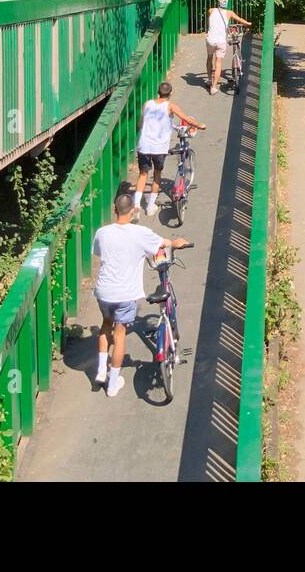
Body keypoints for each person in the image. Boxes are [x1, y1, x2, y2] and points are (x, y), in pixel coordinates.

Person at [94, 194, 189, 397]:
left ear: (115, 209)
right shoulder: (140, 233)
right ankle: (112, 386)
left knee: (105, 325)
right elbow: (164, 243)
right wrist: (176, 242)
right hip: (124, 293)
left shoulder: (102, 233)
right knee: (120, 335)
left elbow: (100, 253)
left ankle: (101, 371)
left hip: (103, 291)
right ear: (134, 211)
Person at [134, 81, 204, 217]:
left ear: (158, 92)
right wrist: (199, 125)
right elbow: (185, 118)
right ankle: (150, 207)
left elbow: (142, 122)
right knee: (157, 175)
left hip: (144, 145)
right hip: (159, 148)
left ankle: (136, 205)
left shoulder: (147, 104)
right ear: (170, 93)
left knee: (143, 174)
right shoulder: (170, 106)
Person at [207, 0, 252, 95]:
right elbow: (240, 20)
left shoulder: (211, 10)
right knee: (218, 63)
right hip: (221, 41)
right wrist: (248, 24)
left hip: (210, 39)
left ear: (218, 2)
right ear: (226, 3)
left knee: (210, 58)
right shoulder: (229, 13)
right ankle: (213, 87)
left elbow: (212, 19)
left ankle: (209, 79)